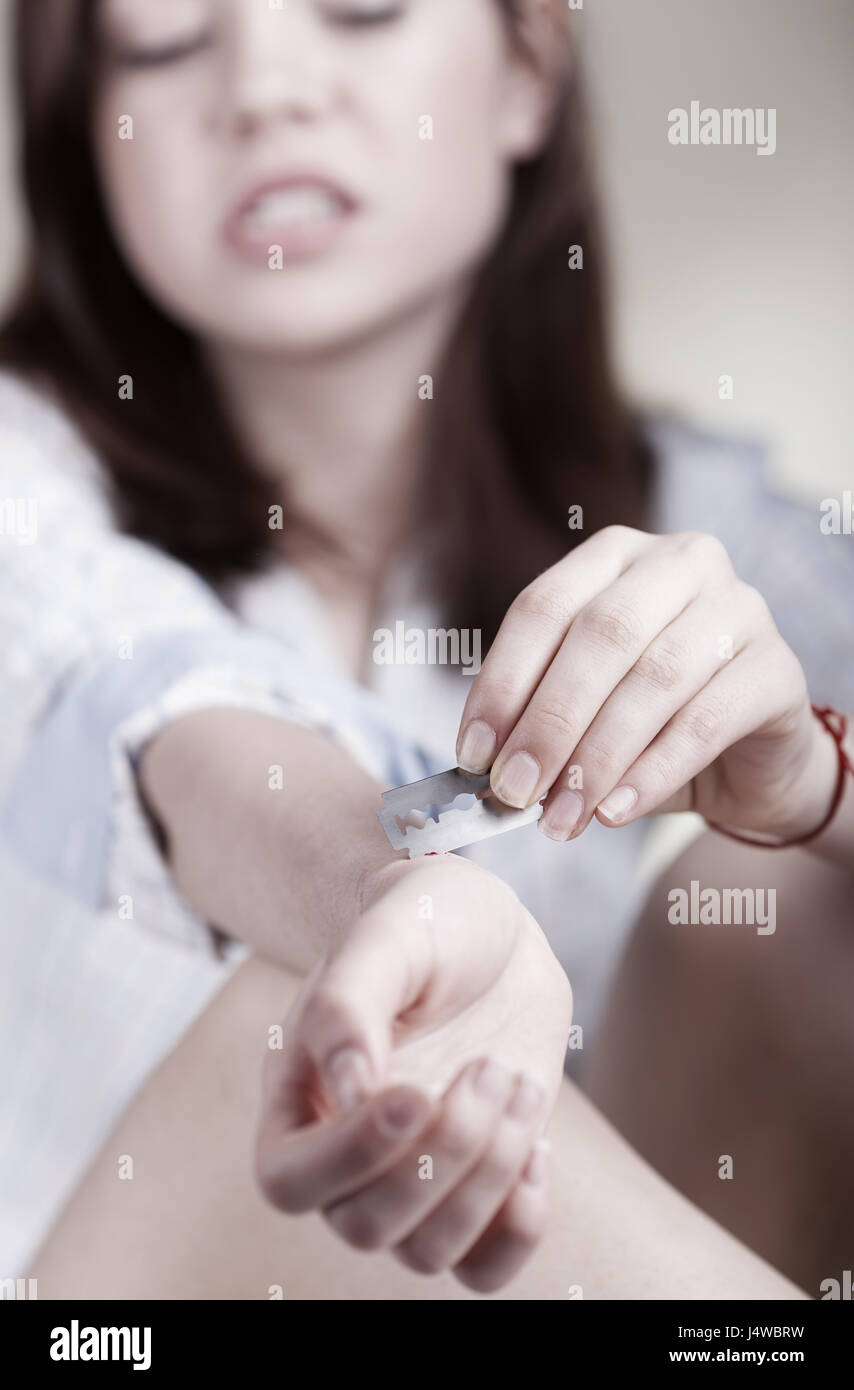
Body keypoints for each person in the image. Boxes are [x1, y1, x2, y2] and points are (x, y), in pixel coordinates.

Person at [0, 0, 851, 1298]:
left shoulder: (698, 519)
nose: (265, 87)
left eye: (359, 7)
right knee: (288, 1023)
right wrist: (382, 893)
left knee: (797, 906)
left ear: (527, 66)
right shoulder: (25, 472)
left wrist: (810, 789)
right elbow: (156, 711)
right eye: (166, 37)